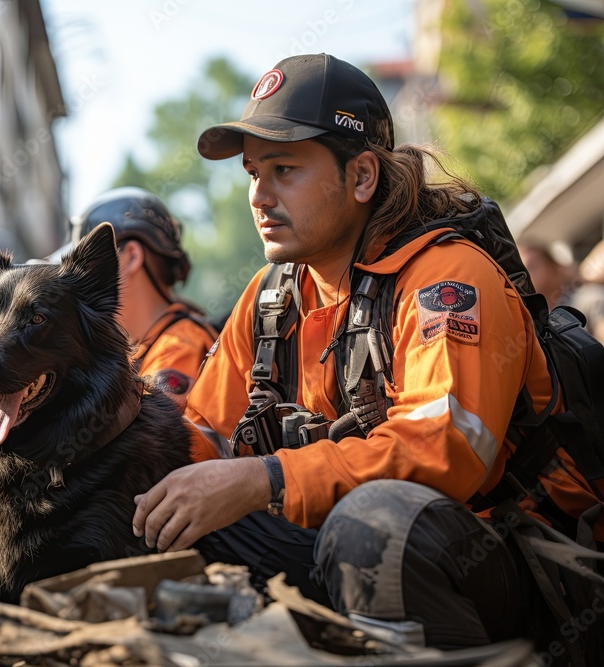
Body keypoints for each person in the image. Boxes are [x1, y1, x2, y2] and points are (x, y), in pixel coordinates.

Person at [131, 54, 601, 652]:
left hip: (526, 572)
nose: (259, 195)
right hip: (350, 551)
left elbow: (447, 451)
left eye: (284, 169)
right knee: (155, 514)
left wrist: (264, 476)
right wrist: (119, 434)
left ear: (361, 177)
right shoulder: (271, 297)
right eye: (252, 173)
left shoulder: (447, 279)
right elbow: (197, 438)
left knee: (374, 524)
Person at [0, 188, 218, 558]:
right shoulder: (124, 337)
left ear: (126, 256)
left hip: (129, 507)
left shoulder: (182, 343)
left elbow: (170, 443)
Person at [70, 187, 218, 410]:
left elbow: (152, 440)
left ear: (131, 256)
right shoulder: (144, 347)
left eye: (89, 264)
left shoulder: (179, 346)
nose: (77, 281)